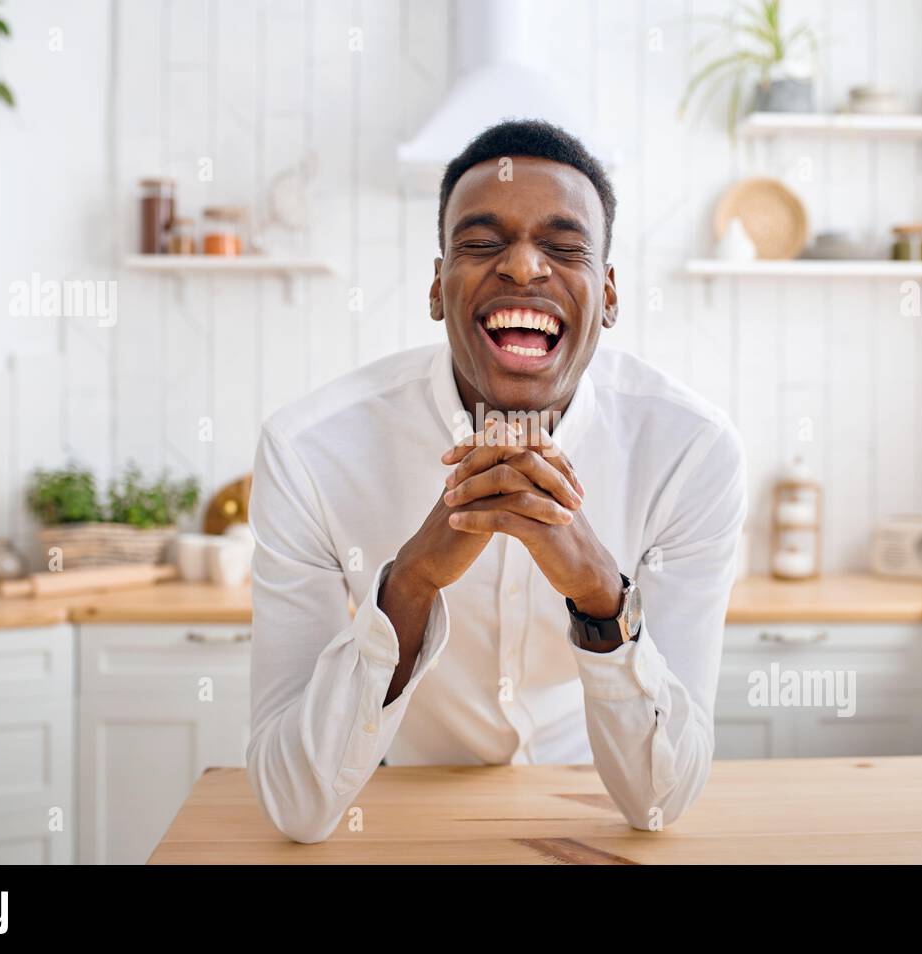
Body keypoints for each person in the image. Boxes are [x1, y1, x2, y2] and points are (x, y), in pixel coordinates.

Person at [246, 118, 747, 843]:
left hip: (593, 817)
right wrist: (409, 586)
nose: (522, 267)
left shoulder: (691, 451)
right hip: (397, 815)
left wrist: (600, 593)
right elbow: (295, 805)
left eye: (563, 247)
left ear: (607, 294)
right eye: (482, 243)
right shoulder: (309, 451)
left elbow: (659, 803)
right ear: (435, 286)